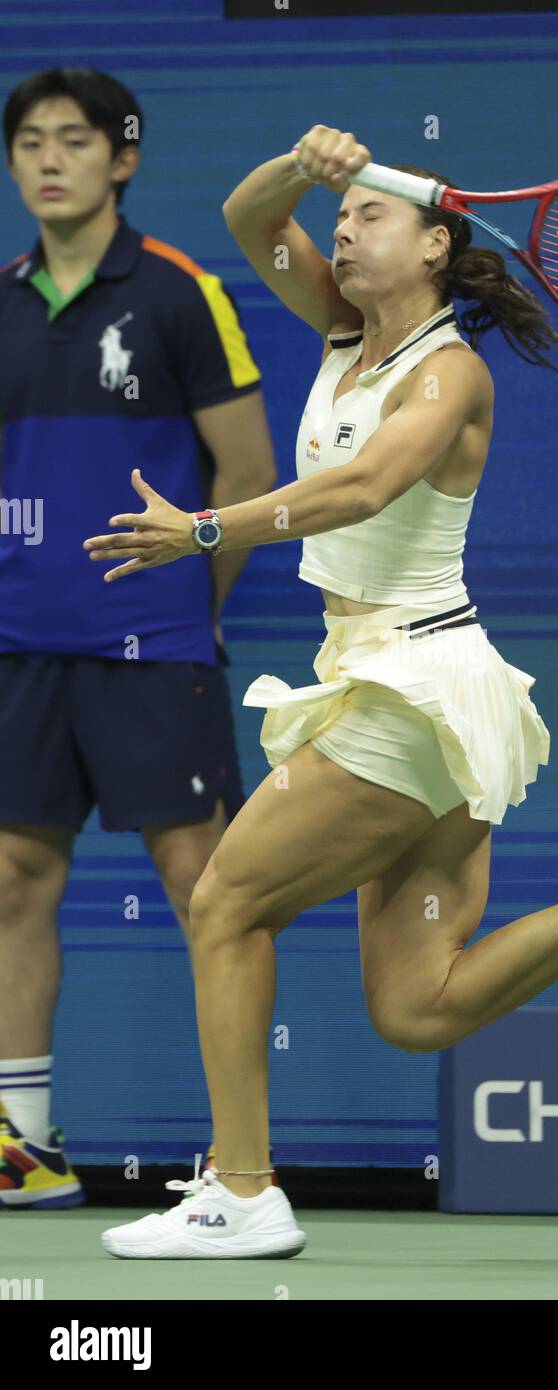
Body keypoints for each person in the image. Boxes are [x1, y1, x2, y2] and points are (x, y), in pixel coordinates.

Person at [94, 126, 558, 1259]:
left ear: (436, 246)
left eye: (368, 218)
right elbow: (248, 222)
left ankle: (241, 1191)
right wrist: (305, 171)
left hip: (411, 695)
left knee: (224, 903)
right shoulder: (343, 332)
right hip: (420, 693)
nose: (342, 233)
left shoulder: (450, 372)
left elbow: (360, 485)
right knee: (418, 1007)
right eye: (342, 220)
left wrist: (206, 527)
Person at [0, 68, 277, 1209]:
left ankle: (237, 1166)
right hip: (22, 644)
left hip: (152, 647)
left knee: (204, 884)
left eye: (74, 141)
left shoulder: (179, 293)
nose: (48, 160)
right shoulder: (1, 299)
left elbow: (250, 475)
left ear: (123, 160)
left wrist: (180, 611)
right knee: (14, 877)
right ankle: (22, 1150)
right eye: (28, 143)